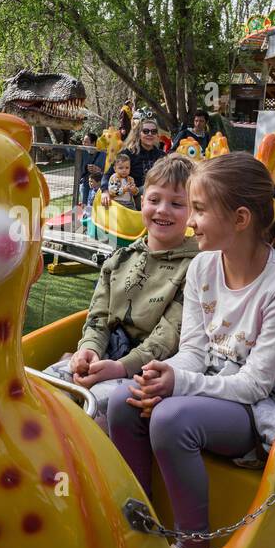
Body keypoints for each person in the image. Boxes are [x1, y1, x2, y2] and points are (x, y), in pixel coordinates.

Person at [105, 153, 275, 548]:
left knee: (169, 418)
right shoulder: (202, 267)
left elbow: (255, 385)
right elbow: (196, 352)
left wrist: (178, 386)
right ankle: (139, 529)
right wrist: (162, 376)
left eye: (198, 209)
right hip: (216, 383)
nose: (191, 221)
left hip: (257, 404)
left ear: (239, 219)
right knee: (123, 401)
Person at [46, 155, 200, 428]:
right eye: (154, 200)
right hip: (105, 355)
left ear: (193, 212)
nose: (163, 210)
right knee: (45, 386)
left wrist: (121, 367)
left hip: (147, 370)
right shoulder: (118, 260)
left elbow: (169, 334)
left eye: (177, 204)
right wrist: (89, 350)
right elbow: (98, 316)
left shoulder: (195, 268)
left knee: (97, 406)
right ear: (142, 202)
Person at [102, 110, 166, 204]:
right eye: (145, 131)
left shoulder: (162, 156)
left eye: (153, 131)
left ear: (157, 135)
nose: (149, 134)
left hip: (160, 194)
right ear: (139, 134)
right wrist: (105, 191)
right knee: (150, 190)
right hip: (135, 194)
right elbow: (107, 174)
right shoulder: (128, 153)